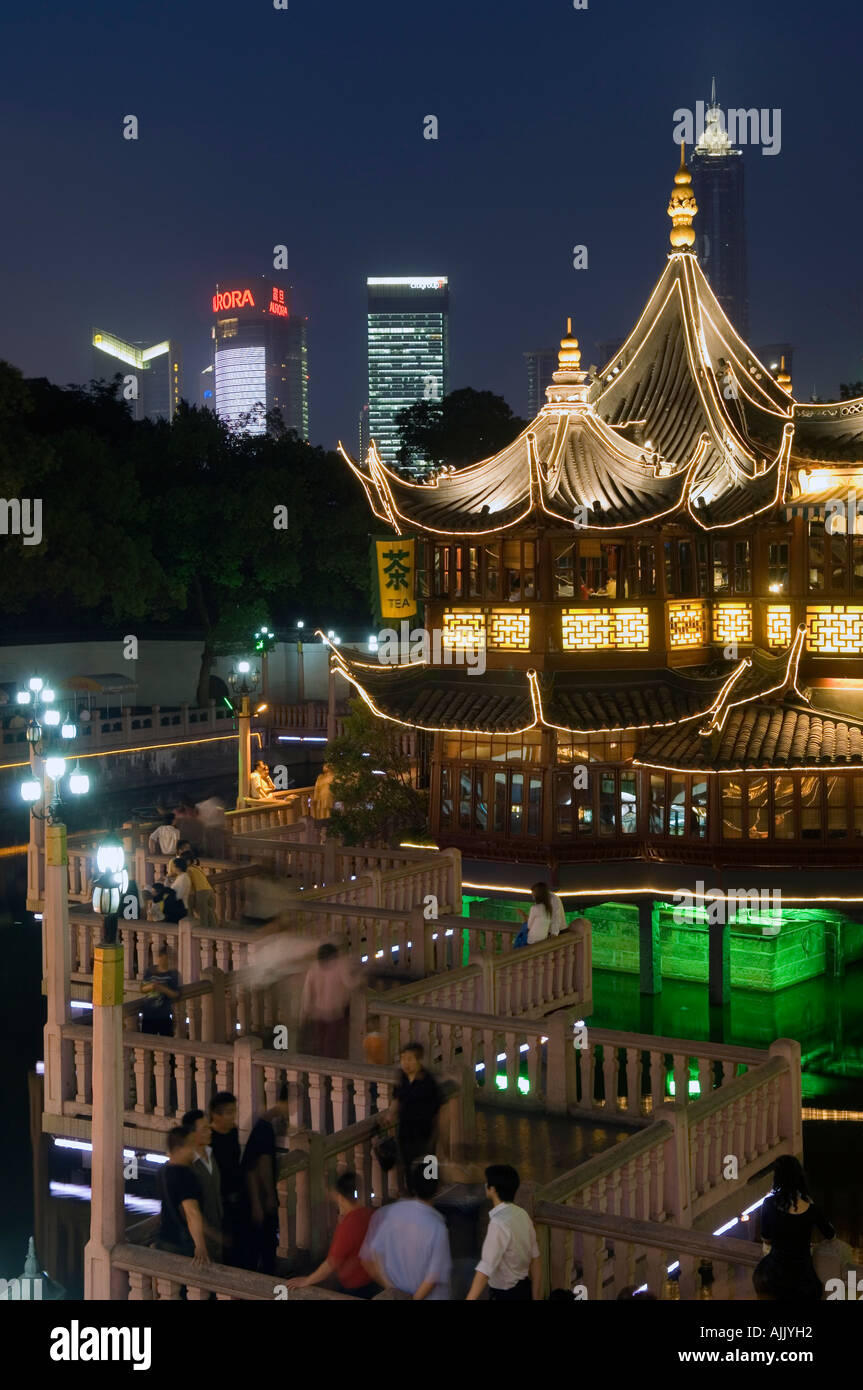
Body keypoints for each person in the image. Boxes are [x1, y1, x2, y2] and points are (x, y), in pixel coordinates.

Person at [360, 1160, 452, 1299]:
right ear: (438, 1189)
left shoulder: (392, 1213)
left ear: (412, 1186)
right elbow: (433, 1277)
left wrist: (390, 1288)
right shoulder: (437, 1227)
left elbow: (371, 1256)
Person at [284, 1172, 379, 1298]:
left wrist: (306, 1281)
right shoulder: (369, 1214)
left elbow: (331, 1263)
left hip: (354, 1286)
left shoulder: (348, 1225)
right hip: (372, 1281)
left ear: (338, 1195)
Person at [754, 1155, 835, 1300]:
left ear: (777, 1178)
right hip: (802, 1279)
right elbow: (830, 1234)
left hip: (774, 1275)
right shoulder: (811, 1207)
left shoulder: (769, 1204)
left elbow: (766, 1237)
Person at [465, 1165, 541, 1301]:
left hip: (505, 1295)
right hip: (524, 1289)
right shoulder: (522, 1214)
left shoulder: (498, 1224)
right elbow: (535, 1259)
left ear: (493, 1189)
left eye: (487, 1182)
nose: (485, 1185)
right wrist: (535, 1295)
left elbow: (485, 1269)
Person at [241, 1084, 292, 1274]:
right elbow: (258, 1167)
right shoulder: (265, 1128)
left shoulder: (264, 1123)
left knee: (262, 1244)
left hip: (258, 1199)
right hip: (261, 1198)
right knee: (264, 1245)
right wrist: (267, 1197)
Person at [389, 1043, 443, 1193]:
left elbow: (438, 1111)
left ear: (419, 1060)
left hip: (424, 1132)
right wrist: (390, 1116)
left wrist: (436, 1134)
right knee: (408, 1166)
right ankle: (413, 1192)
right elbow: (397, 1099)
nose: (406, 1063)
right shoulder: (402, 1078)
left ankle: (430, 1194)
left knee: (428, 1166)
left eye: (410, 1059)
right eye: (403, 1059)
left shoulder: (428, 1082)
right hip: (406, 1131)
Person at [155, 1125, 211, 1266]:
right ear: (179, 1150)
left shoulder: (162, 1171)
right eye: (191, 1145)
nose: (195, 1149)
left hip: (164, 1238)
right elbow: (191, 1211)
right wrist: (200, 1246)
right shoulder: (186, 1176)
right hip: (181, 1244)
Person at [298, 942, 360, 1058]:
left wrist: (305, 1012)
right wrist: (361, 977)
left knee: (321, 1041)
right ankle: (328, 1069)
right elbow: (350, 984)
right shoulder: (340, 965)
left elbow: (307, 992)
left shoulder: (314, 968)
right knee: (332, 1043)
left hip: (318, 1011)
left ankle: (321, 1066)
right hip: (334, 1011)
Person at [182, 1109, 224, 1262]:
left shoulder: (211, 1153)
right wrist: (200, 1244)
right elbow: (190, 1211)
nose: (210, 1131)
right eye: (204, 1129)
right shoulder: (187, 1165)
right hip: (199, 1238)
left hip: (217, 1228)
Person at [209, 1092, 244, 1267]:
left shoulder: (232, 1132)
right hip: (219, 1201)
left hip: (236, 1197)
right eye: (229, 1112)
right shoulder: (209, 1138)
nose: (233, 1117)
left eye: (234, 1111)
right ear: (216, 1115)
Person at [139, 949, 180, 1036]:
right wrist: (152, 986)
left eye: (166, 959)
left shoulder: (172, 974)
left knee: (167, 1042)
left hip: (164, 1015)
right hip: (148, 1015)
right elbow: (142, 989)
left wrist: (162, 988)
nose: (163, 961)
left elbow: (175, 994)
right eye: (162, 958)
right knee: (147, 1042)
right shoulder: (150, 971)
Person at [186, 856, 217, 929]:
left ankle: (204, 929)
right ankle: (215, 928)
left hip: (201, 891)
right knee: (210, 911)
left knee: (203, 913)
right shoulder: (198, 868)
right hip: (210, 890)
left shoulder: (188, 870)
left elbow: (190, 884)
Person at [165, 856, 192, 921]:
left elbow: (179, 895)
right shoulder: (180, 877)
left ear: (178, 867)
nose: (172, 868)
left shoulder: (183, 878)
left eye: (173, 866)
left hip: (179, 908)